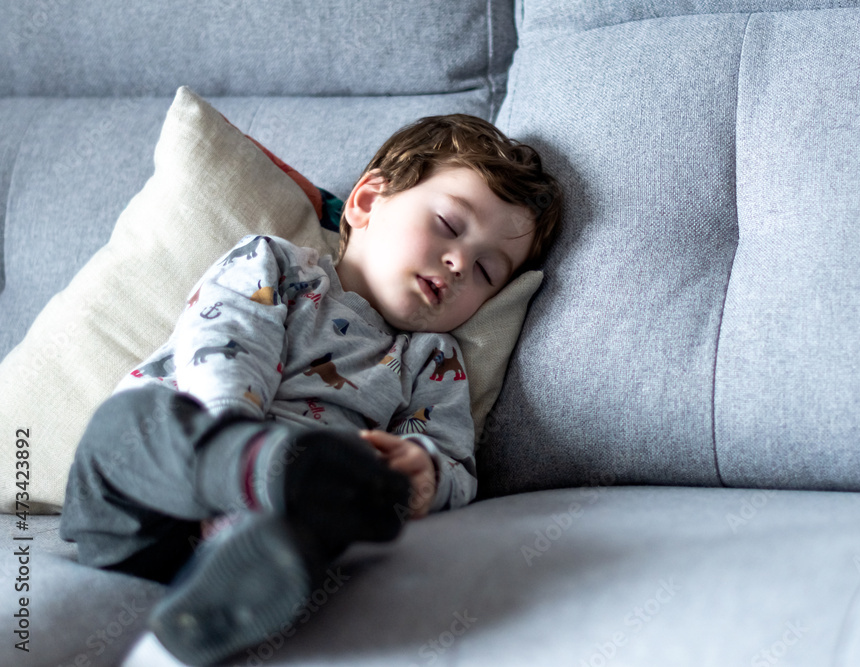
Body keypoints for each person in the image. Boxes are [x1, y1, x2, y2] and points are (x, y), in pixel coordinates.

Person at [58, 114, 563, 666]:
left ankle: (186, 635)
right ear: (368, 202)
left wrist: (424, 472)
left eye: (488, 270)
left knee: (345, 506)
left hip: (267, 521)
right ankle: (258, 467)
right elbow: (228, 340)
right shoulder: (275, 264)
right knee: (132, 420)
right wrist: (238, 438)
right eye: (448, 224)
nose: (460, 262)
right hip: (151, 492)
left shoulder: (432, 361)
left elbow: (452, 460)